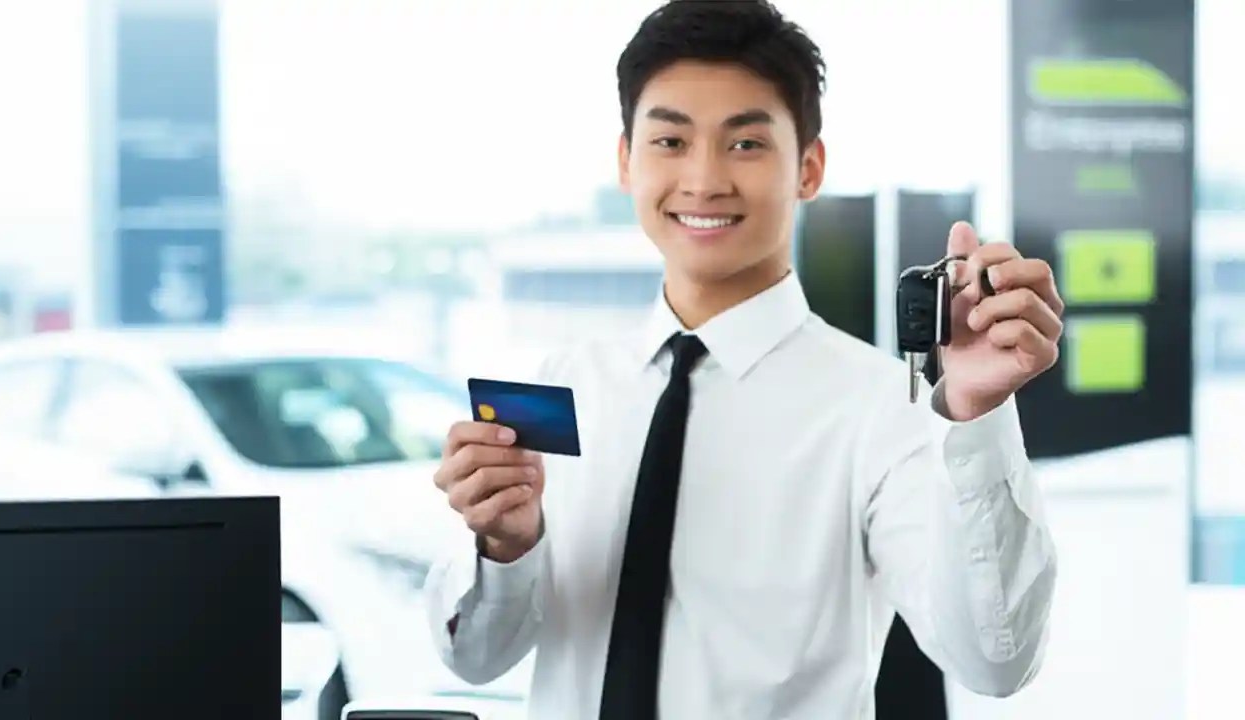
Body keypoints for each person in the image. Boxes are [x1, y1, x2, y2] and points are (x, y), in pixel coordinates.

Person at [425, 1, 1062, 718]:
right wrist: (505, 549)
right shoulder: (562, 385)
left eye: (746, 144)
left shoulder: (883, 408)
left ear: (809, 167)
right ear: (625, 161)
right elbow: (473, 657)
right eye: (669, 141)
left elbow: (994, 659)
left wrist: (976, 413)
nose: (703, 180)